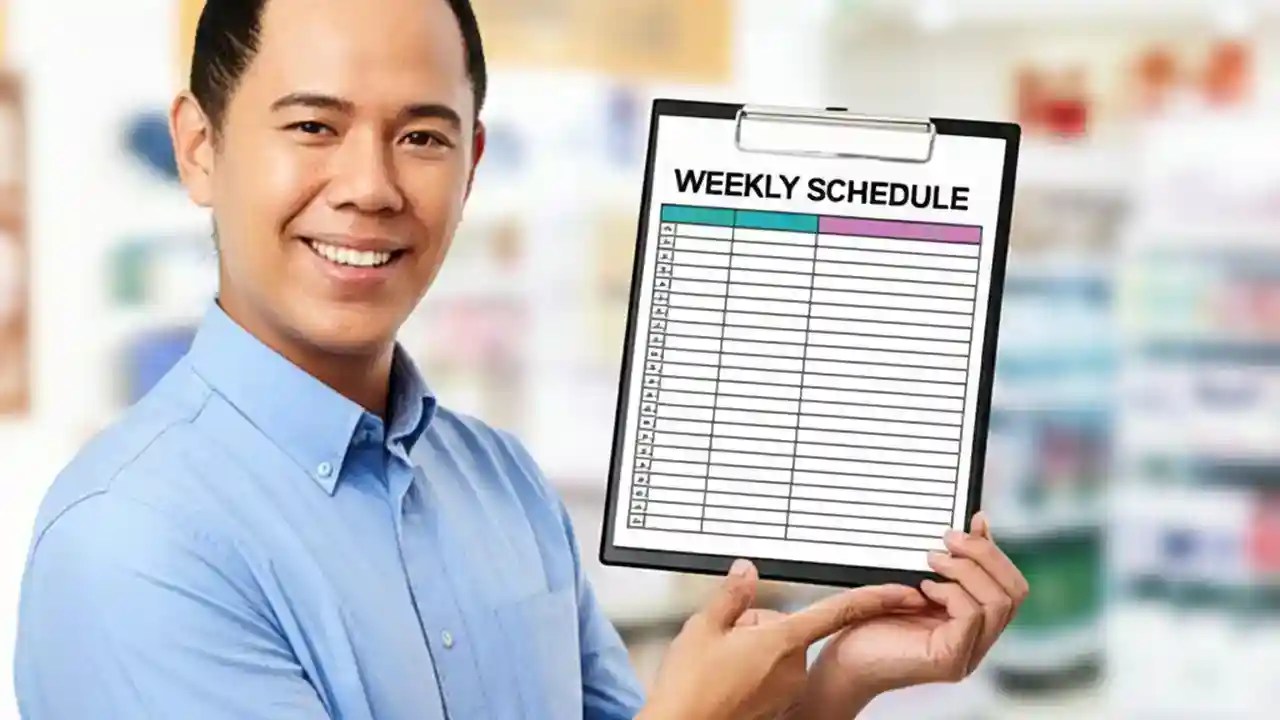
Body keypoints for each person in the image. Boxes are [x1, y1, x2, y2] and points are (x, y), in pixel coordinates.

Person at [13, 1, 1029, 718]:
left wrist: (840, 681)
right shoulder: (132, 544)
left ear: (471, 164)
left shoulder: (501, 483)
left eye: (422, 137)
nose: (369, 186)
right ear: (199, 146)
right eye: (314, 126)